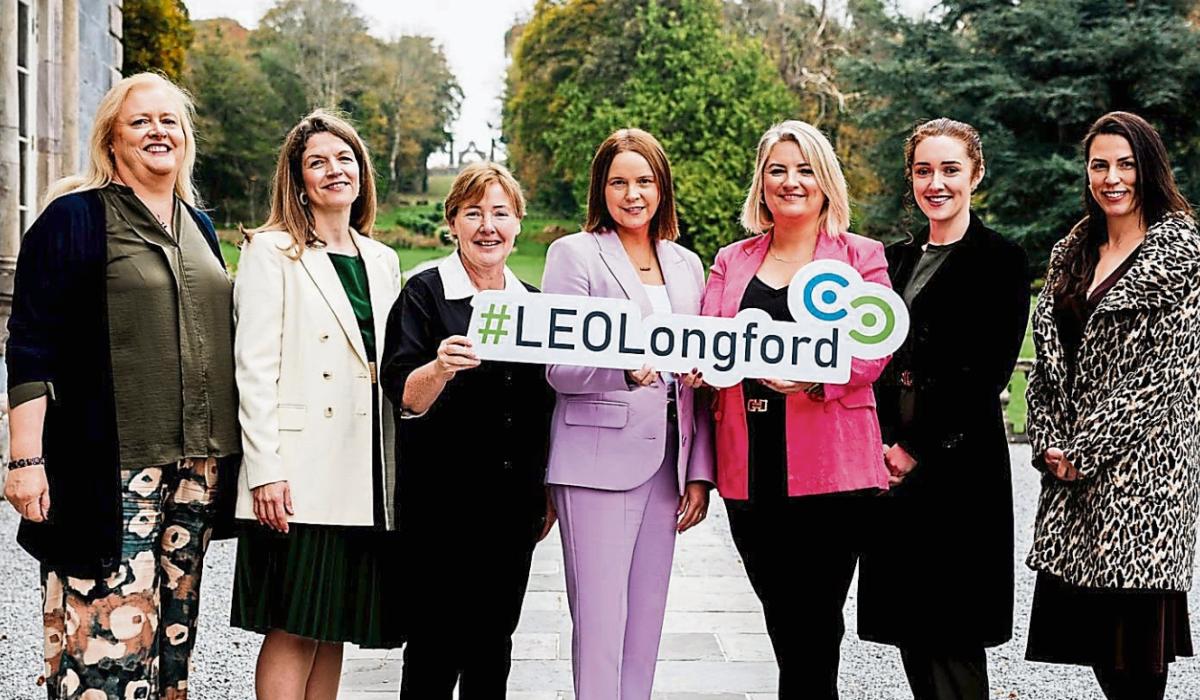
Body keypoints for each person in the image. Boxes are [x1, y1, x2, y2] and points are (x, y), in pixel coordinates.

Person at [2, 72, 239, 699]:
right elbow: (29, 343)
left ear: (187, 139)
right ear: (111, 138)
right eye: (140, 121)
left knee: (172, 642)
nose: (158, 131)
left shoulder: (200, 227)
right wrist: (24, 460)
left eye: (170, 121)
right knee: (103, 644)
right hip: (109, 467)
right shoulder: (76, 218)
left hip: (197, 466)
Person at [699, 120, 891, 699]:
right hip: (749, 466)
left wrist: (815, 378)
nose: (791, 181)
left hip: (831, 469)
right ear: (761, 184)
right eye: (778, 170)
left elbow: (875, 344)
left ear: (826, 180)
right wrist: (700, 365)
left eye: (805, 169)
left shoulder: (860, 256)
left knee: (814, 623)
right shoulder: (731, 260)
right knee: (783, 619)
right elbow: (709, 339)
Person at [1024, 111, 1200, 700]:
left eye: (1126, 164)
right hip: (1072, 476)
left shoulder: (1182, 256)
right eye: (1100, 164)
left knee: (1137, 656)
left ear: (1149, 168)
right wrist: (1050, 438)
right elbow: (1049, 360)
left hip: (1144, 478)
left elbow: (1167, 374)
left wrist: (1086, 448)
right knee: (1098, 642)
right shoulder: (1072, 251)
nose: (1112, 177)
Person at [230, 109, 402, 700]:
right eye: (317, 162)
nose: (334, 170)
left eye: (344, 158)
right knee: (294, 625)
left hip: (365, 471)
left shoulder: (381, 260)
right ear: (298, 180)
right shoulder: (270, 250)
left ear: (362, 172)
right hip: (298, 471)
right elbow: (253, 370)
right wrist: (265, 471)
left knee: (334, 628)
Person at [856, 118, 1030, 699]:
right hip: (890, 472)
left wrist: (912, 449)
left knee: (953, 643)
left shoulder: (1001, 260)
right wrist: (879, 445)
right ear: (911, 179)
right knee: (911, 633)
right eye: (924, 170)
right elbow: (870, 359)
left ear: (975, 175)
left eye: (950, 169)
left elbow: (983, 372)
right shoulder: (891, 262)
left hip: (956, 473)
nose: (937, 182)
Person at [541, 128, 714, 699]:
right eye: (619, 181)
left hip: (669, 464)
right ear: (601, 188)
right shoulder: (574, 254)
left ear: (663, 188)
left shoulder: (688, 264)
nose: (632, 193)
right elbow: (557, 369)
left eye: (645, 181)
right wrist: (622, 368)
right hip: (595, 460)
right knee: (600, 625)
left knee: (645, 623)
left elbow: (700, 376)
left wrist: (699, 472)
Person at [380, 161, 556, 698]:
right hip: (440, 504)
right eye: (474, 213)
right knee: (434, 646)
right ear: (452, 221)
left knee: (493, 645)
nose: (488, 226)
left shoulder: (536, 304)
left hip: (512, 505)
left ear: (518, 224)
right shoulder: (425, 292)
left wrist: (546, 488)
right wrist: (439, 368)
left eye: (501, 213)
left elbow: (549, 405)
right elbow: (403, 394)